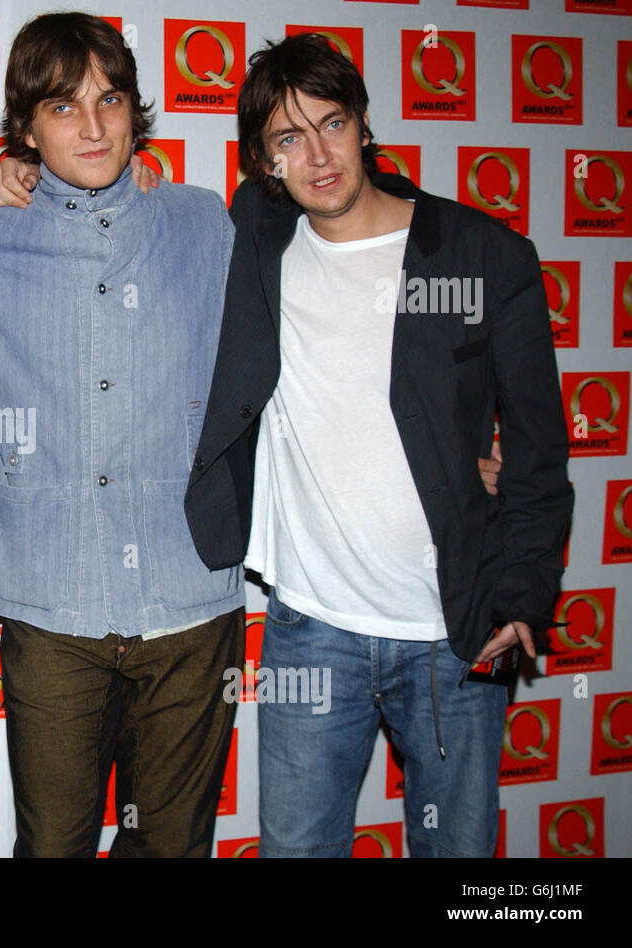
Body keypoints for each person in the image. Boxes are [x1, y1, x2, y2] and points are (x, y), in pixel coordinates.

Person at [185, 34, 572, 857]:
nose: (318, 156)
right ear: (264, 162)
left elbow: (539, 451)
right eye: (288, 139)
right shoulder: (260, 236)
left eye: (330, 123)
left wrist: (521, 595)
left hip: (454, 633)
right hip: (310, 629)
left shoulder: (481, 256)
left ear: (364, 124)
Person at [0, 12, 244, 857]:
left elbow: (289, 353)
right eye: (63, 107)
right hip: (50, 599)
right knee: (54, 847)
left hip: (188, 598)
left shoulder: (205, 223)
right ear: (25, 127)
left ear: (137, 108)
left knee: (172, 848)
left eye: (110, 99)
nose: (94, 126)